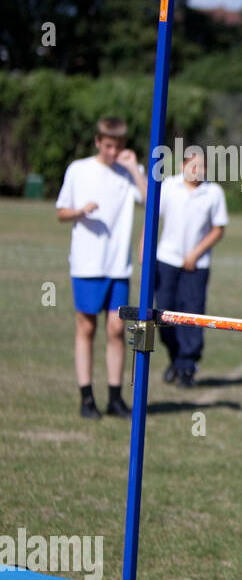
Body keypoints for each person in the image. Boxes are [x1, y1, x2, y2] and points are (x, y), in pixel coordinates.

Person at [54, 116, 146, 418]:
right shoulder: (78, 170)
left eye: (118, 145)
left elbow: (150, 201)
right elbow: (61, 212)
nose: (112, 151)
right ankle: (86, 397)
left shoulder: (129, 172)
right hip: (86, 263)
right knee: (87, 327)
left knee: (117, 328)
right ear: (97, 141)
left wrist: (133, 167)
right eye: (108, 145)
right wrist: (81, 211)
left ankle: (115, 397)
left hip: (118, 266)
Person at [151, 149, 228, 387]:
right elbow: (152, 217)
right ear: (183, 164)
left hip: (197, 265)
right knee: (163, 315)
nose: (198, 171)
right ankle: (175, 358)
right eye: (194, 165)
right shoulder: (168, 187)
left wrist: (196, 253)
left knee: (192, 316)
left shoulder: (213, 192)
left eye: (202, 166)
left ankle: (187, 367)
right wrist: (145, 243)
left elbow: (218, 228)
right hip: (167, 260)